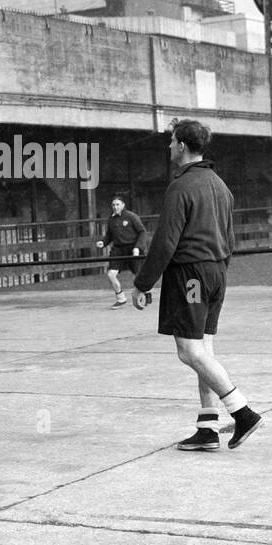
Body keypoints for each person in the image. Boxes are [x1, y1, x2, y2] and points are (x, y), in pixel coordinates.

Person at [131, 119, 262, 451]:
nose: (168, 146)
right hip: (217, 271)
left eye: (172, 141)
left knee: (189, 352)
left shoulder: (181, 187)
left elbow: (165, 242)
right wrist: (217, 271)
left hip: (191, 274)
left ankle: (242, 412)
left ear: (182, 146)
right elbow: (229, 239)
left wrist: (143, 283)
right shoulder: (220, 185)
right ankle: (208, 428)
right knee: (204, 350)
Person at [95, 196, 150, 307]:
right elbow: (109, 235)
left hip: (132, 248)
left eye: (117, 204)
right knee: (111, 274)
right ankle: (121, 298)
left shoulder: (131, 216)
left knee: (139, 275)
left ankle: (147, 293)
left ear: (123, 205)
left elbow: (142, 232)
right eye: (113, 205)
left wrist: (138, 247)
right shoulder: (111, 219)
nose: (115, 207)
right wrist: (103, 242)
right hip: (118, 250)